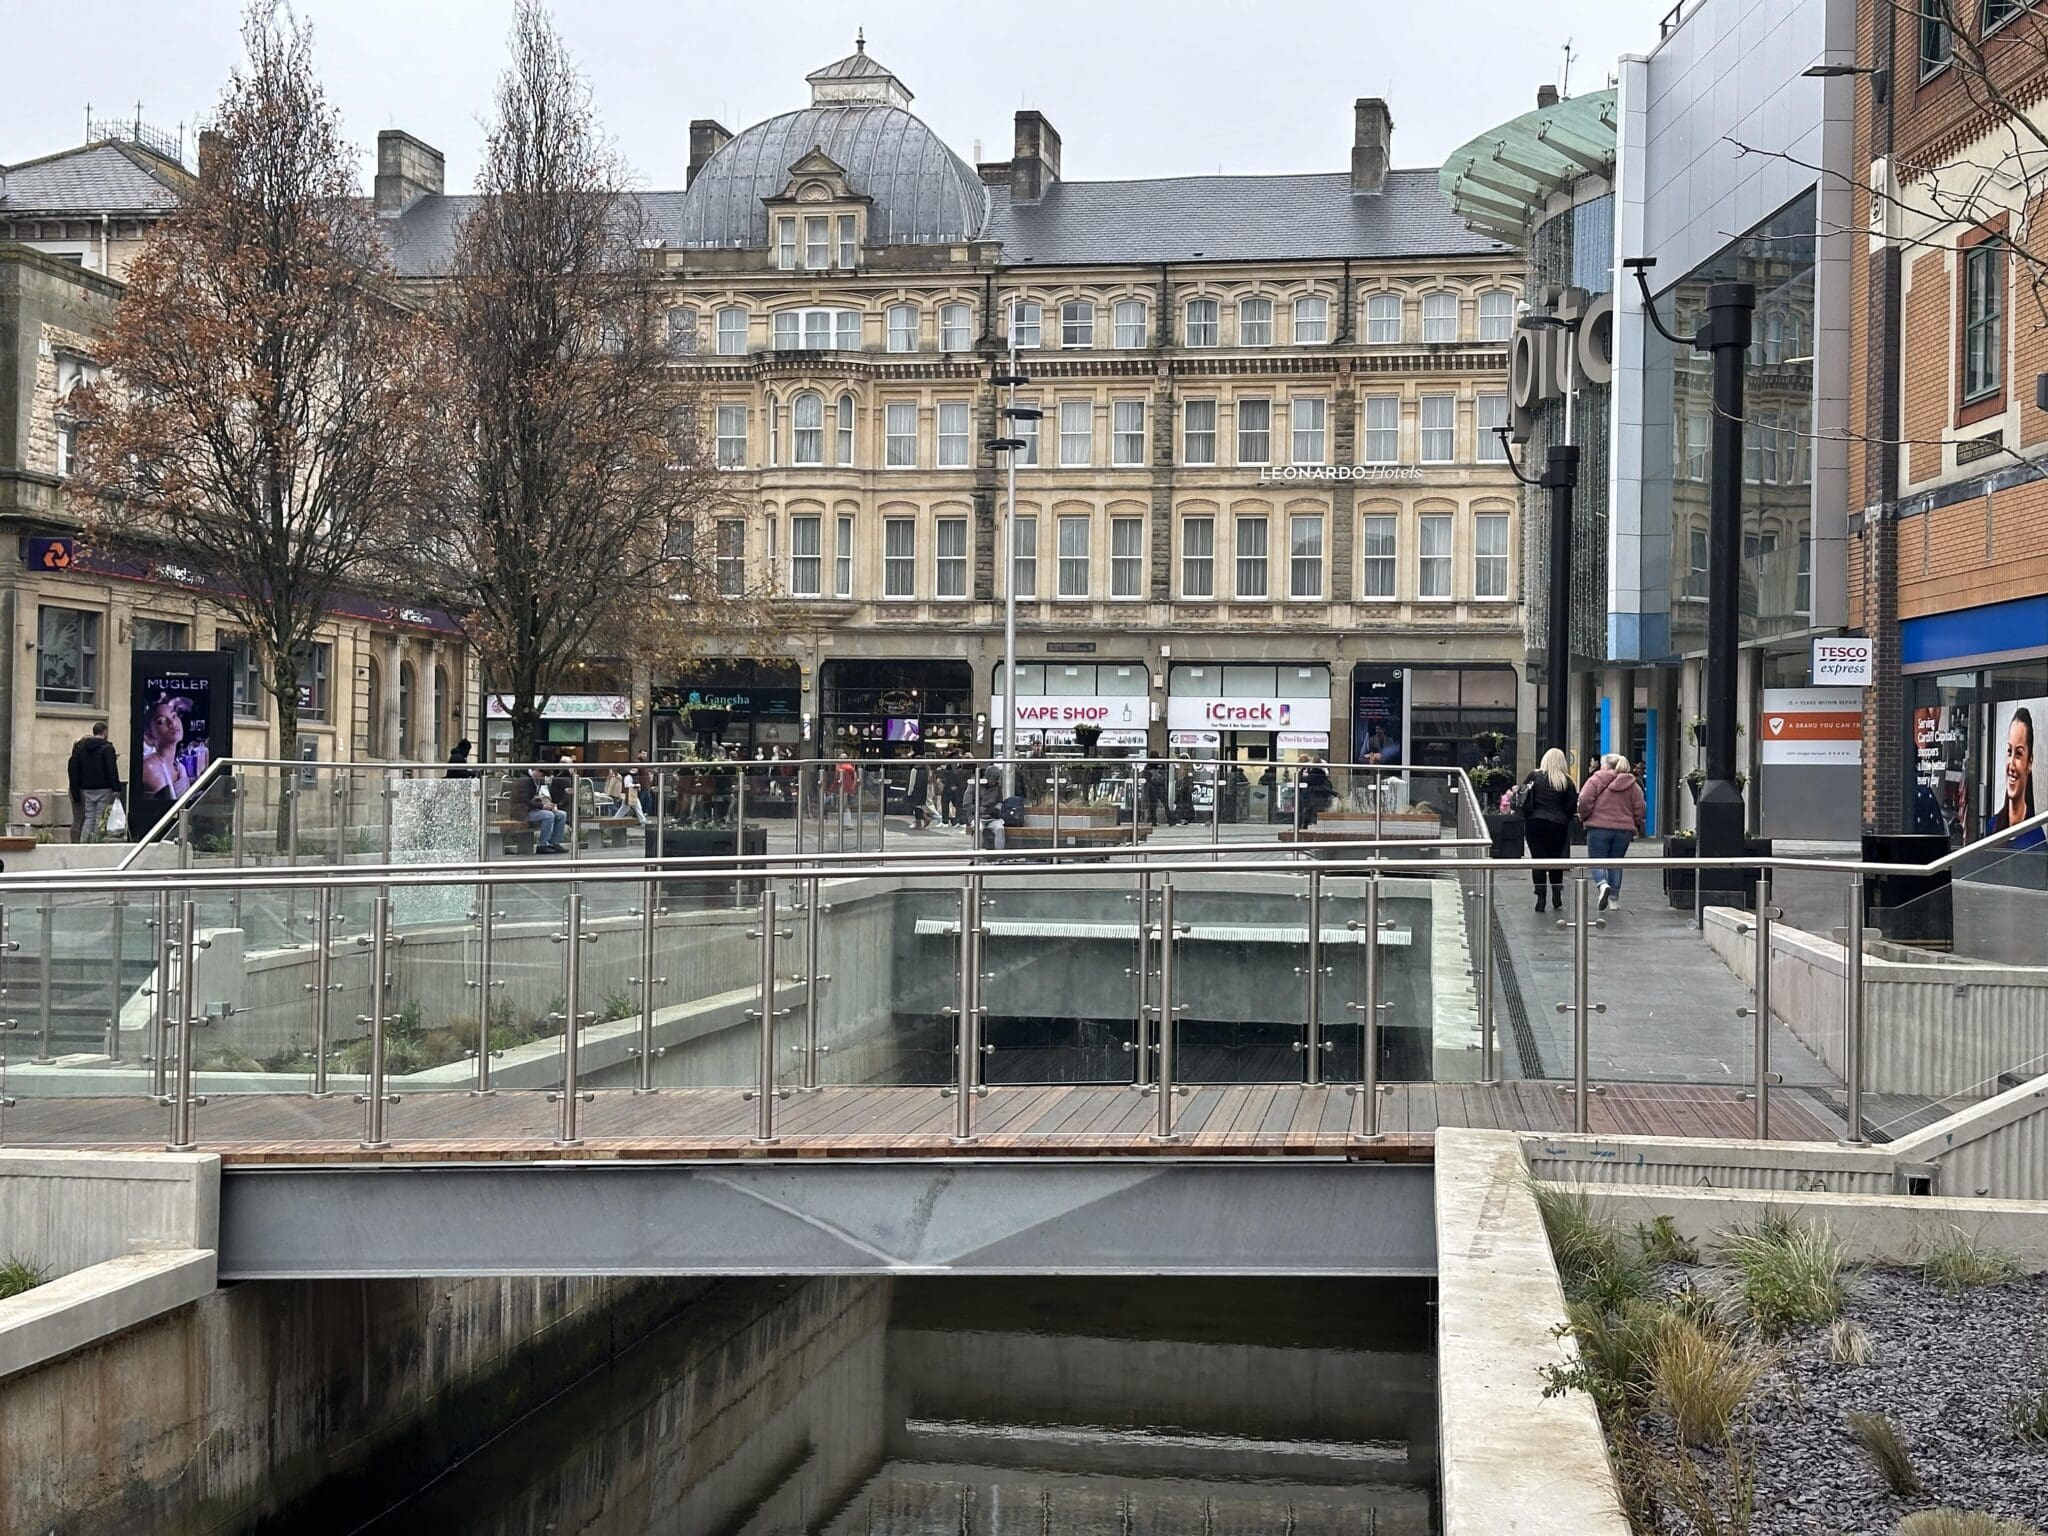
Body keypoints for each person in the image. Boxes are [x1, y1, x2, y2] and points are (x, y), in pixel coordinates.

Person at [1578, 753, 1647, 911]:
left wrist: (1585, 816)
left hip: (1598, 827)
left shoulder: (1596, 780)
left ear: (1606, 766)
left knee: (1596, 860)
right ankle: (1614, 900)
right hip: (1623, 830)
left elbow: (1584, 800)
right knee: (1616, 863)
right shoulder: (1633, 785)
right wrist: (1634, 822)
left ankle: (1602, 885)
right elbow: (1640, 808)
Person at [1516, 748, 1579, 911]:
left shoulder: (1534, 776)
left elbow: (1522, 796)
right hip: (1558, 824)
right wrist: (1564, 818)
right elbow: (1571, 806)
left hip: (1535, 823)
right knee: (1555, 860)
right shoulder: (1567, 781)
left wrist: (1526, 813)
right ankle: (1556, 893)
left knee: (1538, 860)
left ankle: (1541, 896)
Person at [1989, 707, 2044, 850]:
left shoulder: (2036, 840)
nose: (2011, 765)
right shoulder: (1992, 826)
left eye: (2018, 754)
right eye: (2009, 751)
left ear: (2030, 762)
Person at [137, 693, 196, 810]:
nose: (172, 723)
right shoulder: (149, 765)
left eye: (174, 716)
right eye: (161, 721)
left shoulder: (180, 767)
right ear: (149, 735)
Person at [67, 721, 123, 844]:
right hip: (104, 787)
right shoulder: (107, 748)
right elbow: (111, 769)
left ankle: (84, 841)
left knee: (89, 817)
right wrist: (116, 788)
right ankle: (96, 842)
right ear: (105, 732)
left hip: (87, 788)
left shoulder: (81, 749)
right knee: (99, 817)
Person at [512, 766, 567, 853]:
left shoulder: (536, 781)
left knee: (561, 815)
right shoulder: (524, 780)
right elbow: (524, 800)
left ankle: (555, 842)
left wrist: (548, 805)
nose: (542, 778)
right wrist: (542, 806)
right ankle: (543, 844)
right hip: (523, 811)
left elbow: (534, 798)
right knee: (548, 815)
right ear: (537, 770)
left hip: (532, 809)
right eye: (542, 775)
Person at [1299, 757, 1335, 828]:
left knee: (1307, 812)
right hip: (1321, 800)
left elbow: (1302, 783)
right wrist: (1334, 793)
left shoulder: (1308, 776)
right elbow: (1327, 787)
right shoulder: (1323, 776)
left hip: (1309, 799)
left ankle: (1303, 825)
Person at [905, 759, 932, 830]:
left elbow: (912, 782)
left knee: (916, 806)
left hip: (915, 790)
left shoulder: (914, 770)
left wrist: (909, 792)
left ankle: (922, 821)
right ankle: (920, 821)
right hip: (923, 790)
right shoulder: (926, 769)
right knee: (918, 806)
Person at [1142, 758, 1168, 826]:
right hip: (1153, 786)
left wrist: (1154, 776)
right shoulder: (1150, 765)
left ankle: (1170, 818)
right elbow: (1145, 776)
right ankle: (1154, 820)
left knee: (1158, 804)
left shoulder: (1151, 765)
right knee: (1154, 804)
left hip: (1157, 786)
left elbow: (1163, 776)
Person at [940, 758, 965, 827]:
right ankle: (947, 821)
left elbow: (962, 780)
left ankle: (957, 820)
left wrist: (956, 786)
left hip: (956, 789)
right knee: (947, 804)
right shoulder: (949, 770)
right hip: (950, 788)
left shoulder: (960, 770)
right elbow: (944, 779)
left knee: (957, 805)